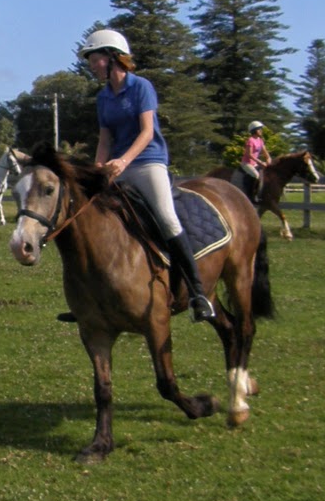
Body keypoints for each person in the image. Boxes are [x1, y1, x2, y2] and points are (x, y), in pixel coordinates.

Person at [81, 28, 215, 322]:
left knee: (166, 219)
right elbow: (105, 138)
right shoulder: (103, 98)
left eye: (94, 59)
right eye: (90, 60)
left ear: (112, 58)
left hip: (147, 162)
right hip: (117, 166)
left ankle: (198, 293)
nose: (91, 65)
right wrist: (98, 170)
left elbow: (147, 132)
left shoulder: (141, 87)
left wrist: (124, 161)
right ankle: (92, 300)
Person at [238, 120, 270, 202]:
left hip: (255, 163)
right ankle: (251, 196)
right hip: (247, 163)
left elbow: (265, 152)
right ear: (255, 131)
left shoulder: (260, 140)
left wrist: (268, 160)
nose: (261, 131)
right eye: (259, 129)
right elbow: (249, 154)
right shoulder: (250, 140)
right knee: (256, 175)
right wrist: (261, 162)